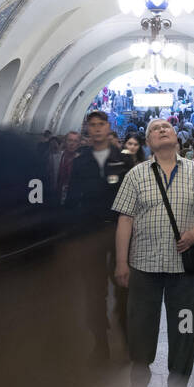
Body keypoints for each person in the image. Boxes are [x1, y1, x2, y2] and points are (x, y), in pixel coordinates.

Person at [113, 118, 194, 387]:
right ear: (148, 142)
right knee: (141, 324)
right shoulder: (136, 174)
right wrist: (121, 263)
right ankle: (139, 377)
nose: (161, 130)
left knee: (184, 325)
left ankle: (178, 384)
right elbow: (125, 219)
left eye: (166, 127)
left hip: (183, 267)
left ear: (176, 137)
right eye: (155, 129)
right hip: (144, 264)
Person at [64, 110, 135, 363]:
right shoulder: (80, 162)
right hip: (90, 232)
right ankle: (100, 342)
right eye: (92, 125)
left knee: (125, 286)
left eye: (100, 124)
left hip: (119, 231)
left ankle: (127, 335)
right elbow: (72, 200)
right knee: (94, 291)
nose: (96, 129)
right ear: (88, 129)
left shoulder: (123, 160)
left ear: (108, 127)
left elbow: (133, 198)